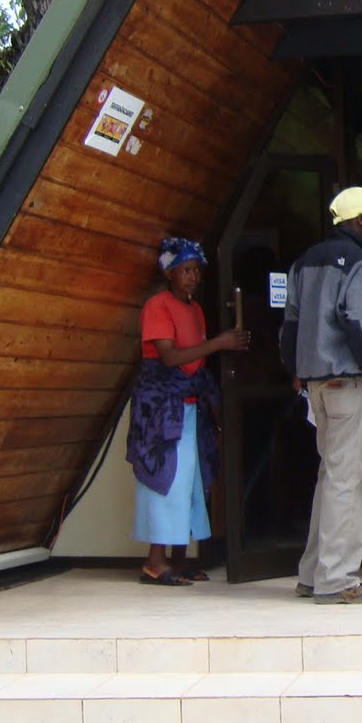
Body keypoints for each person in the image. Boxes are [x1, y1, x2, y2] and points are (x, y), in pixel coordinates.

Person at [281, 185, 362, 605]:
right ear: (359, 220)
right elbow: (359, 323)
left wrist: (296, 371)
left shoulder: (304, 262)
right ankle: (338, 579)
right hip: (349, 383)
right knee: (349, 478)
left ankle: (313, 574)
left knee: (331, 477)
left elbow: (290, 324)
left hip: (316, 383)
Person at [126, 237, 249, 585]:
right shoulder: (157, 306)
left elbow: (194, 360)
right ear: (169, 272)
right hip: (162, 408)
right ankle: (154, 562)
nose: (193, 277)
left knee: (192, 482)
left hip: (190, 406)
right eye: (186, 270)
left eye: (196, 270)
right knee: (166, 478)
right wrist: (220, 343)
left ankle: (180, 558)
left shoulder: (194, 309)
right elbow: (169, 357)